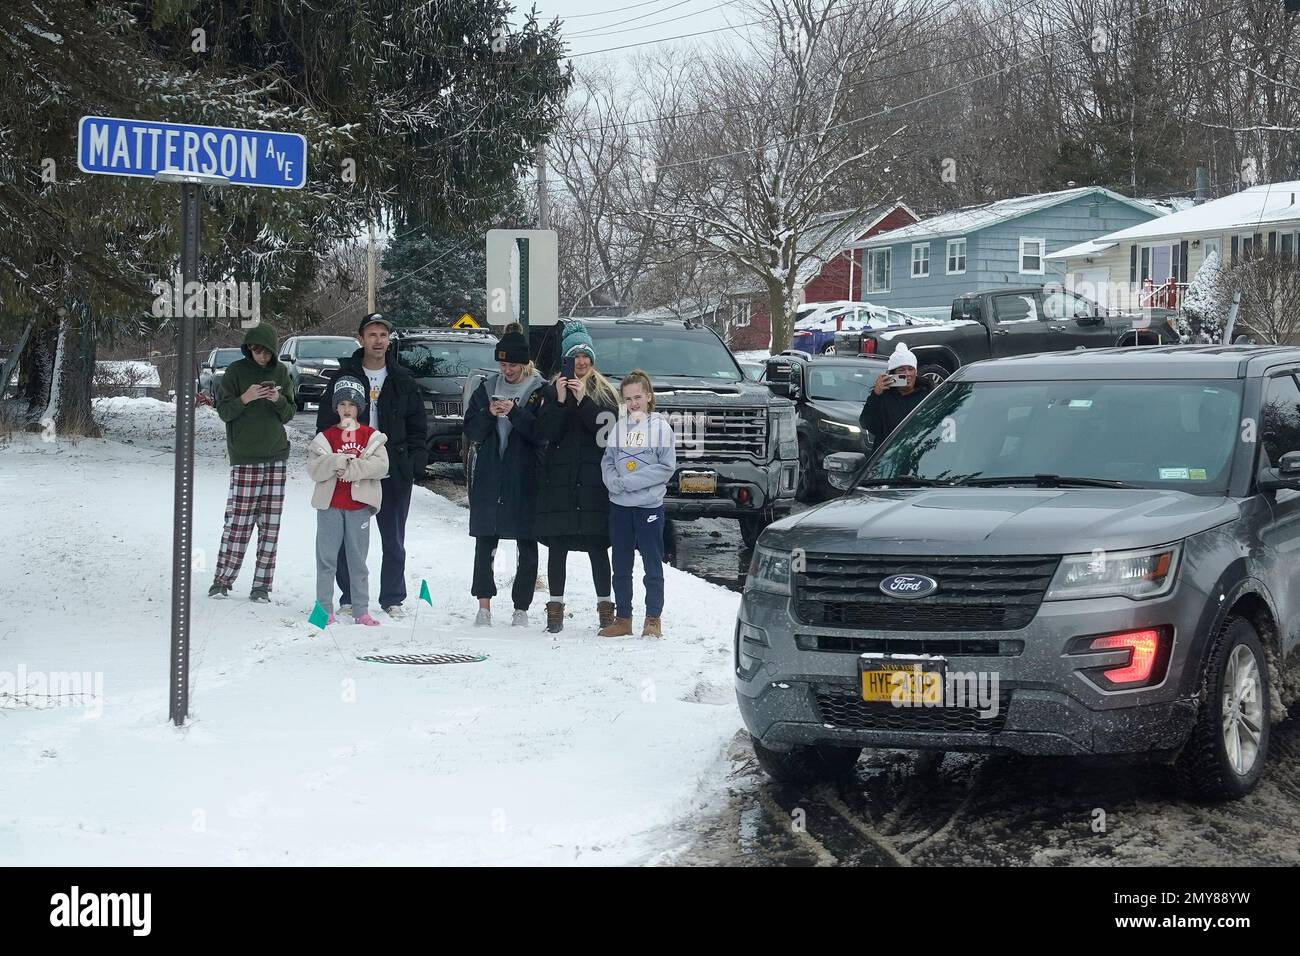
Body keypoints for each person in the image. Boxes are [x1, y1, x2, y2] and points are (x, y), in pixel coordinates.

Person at [315, 313, 428, 619]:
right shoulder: (344, 377)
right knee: (347, 541)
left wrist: (414, 461)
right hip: (353, 474)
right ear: (361, 339)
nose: (379, 340)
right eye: (372, 335)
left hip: (392, 472)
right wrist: (336, 459)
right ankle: (350, 596)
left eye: (383, 335)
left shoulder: (403, 379)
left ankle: (392, 597)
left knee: (393, 540)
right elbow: (325, 424)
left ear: (389, 340)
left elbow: (419, 426)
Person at [534, 321, 620, 634]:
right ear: (565, 360)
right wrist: (558, 401)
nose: (581, 362)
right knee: (558, 546)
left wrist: (583, 399)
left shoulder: (606, 392)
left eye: (585, 355)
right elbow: (547, 434)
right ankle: (554, 610)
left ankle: (605, 609)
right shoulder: (551, 389)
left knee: (598, 547)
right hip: (560, 482)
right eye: (574, 356)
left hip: (594, 483)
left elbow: (605, 433)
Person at [463, 323, 546, 627]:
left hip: (526, 474)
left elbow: (542, 434)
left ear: (524, 363)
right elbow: (470, 430)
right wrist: (488, 413)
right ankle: (483, 605)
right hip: (490, 472)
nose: (507, 370)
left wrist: (514, 412)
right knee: (486, 537)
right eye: (503, 363)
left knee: (527, 539)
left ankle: (521, 607)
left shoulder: (539, 390)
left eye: (513, 364)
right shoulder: (486, 388)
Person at [209, 322, 296, 602]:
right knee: (238, 522)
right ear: (249, 349)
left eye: (266, 352)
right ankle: (222, 581)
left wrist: (278, 399)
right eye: (256, 351)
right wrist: (245, 398)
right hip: (245, 456)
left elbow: (289, 413)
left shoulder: (281, 372)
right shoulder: (235, 372)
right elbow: (223, 412)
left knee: (270, 524)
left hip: (276, 456)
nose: (262, 356)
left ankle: (261, 586)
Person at [599, 369, 676, 639]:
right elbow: (608, 460)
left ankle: (653, 619)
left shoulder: (661, 428)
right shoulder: (618, 427)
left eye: (638, 397)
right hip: (620, 508)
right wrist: (611, 481)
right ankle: (623, 619)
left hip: (648, 508)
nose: (633, 403)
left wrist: (630, 482)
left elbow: (666, 467)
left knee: (652, 565)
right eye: (628, 398)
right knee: (620, 565)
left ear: (649, 397)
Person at [307, 376, 389, 627]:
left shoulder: (371, 436)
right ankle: (323, 608)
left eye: (351, 405)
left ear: (359, 408)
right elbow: (315, 469)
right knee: (326, 559)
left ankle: (361, 610)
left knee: (357, 560)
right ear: (336, 408)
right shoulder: (326, 437)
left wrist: (354, 468)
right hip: (330, 506)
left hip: (358, 508)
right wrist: (335, 461)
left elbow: (381, 465)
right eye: (341, 404)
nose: (346, 409)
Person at [859, 343, 933, 445]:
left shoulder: (927, 396)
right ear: (893, 373)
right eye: (901, 369)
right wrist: (876, 395)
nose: (907, 374)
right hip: (887, 455)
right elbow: (866, 423)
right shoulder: (883, 397)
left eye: (910, 369)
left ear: (916, 372)